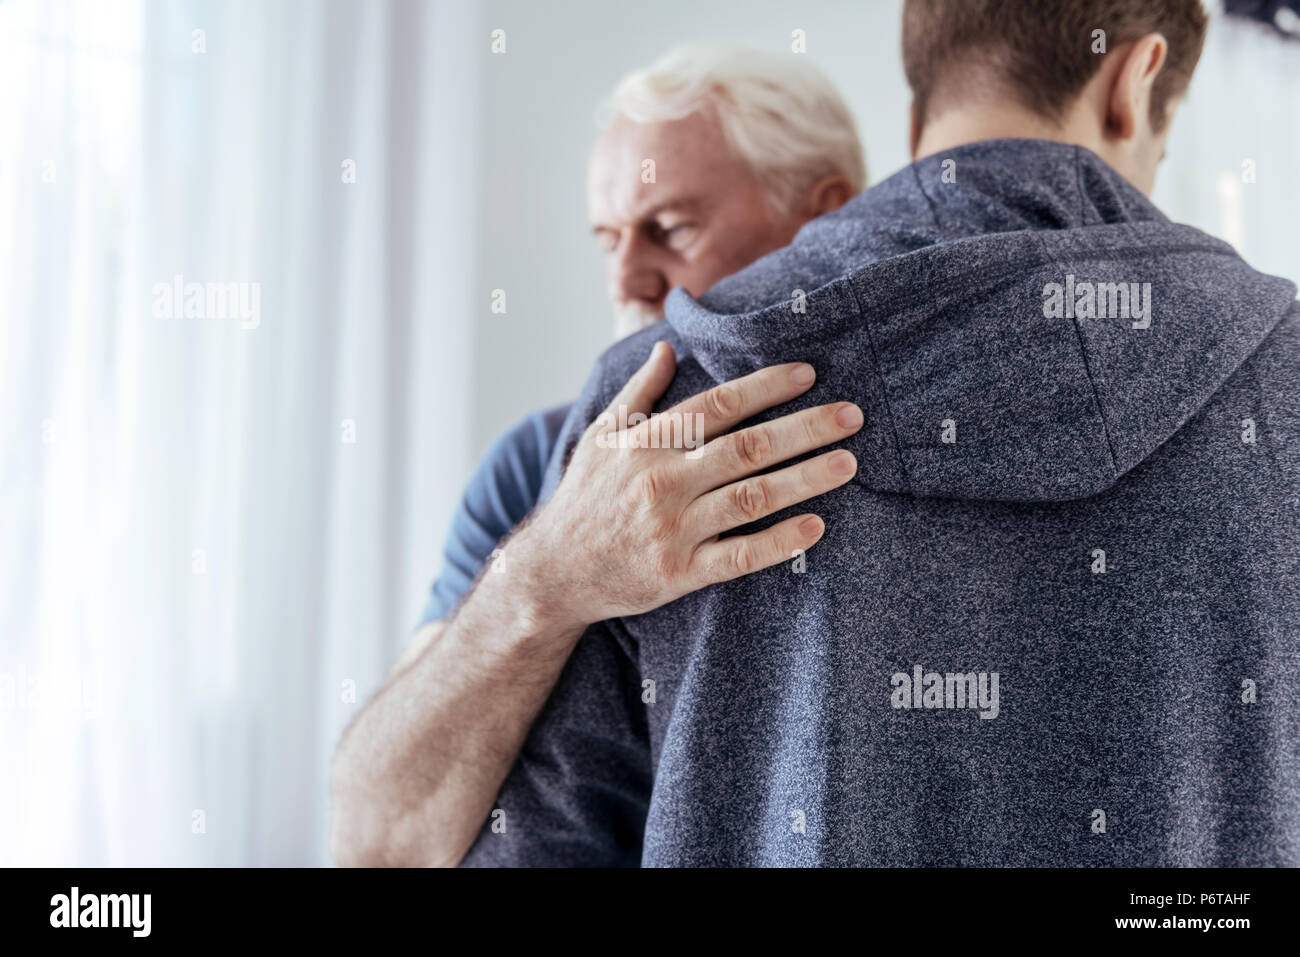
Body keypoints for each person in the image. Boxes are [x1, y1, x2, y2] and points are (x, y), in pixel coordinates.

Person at [462, 0, 1300, 866]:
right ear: (1134, 81)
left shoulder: (652, 417)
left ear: (917, 111)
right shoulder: (1283, 377)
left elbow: (540, 848)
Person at [330, 47, 867, 867]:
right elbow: (374, 839)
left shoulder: (893, 469)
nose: (626, 279)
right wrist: (547, 576)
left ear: (825, 217)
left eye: (672, 229)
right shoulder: (533, 463)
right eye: (607, 239)